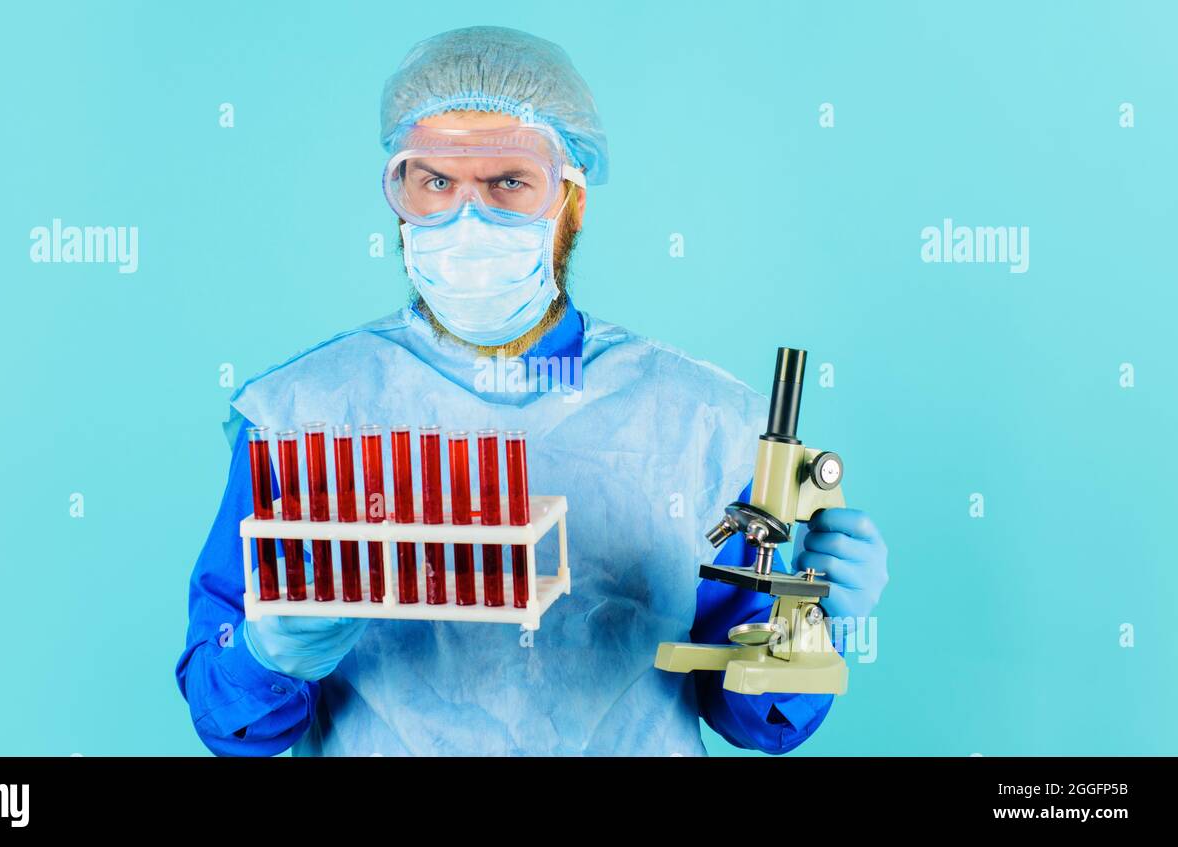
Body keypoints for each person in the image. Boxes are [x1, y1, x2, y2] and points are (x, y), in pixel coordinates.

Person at [175, 25, 889, 756]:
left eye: (509, 182)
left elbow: (751, 716)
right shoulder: (301, 417)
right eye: (434, 181)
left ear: (572, 202)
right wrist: (267, 657)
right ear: (400, 195)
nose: (466, 215)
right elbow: (226, 719)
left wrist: (817, 626)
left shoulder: (697, 420)